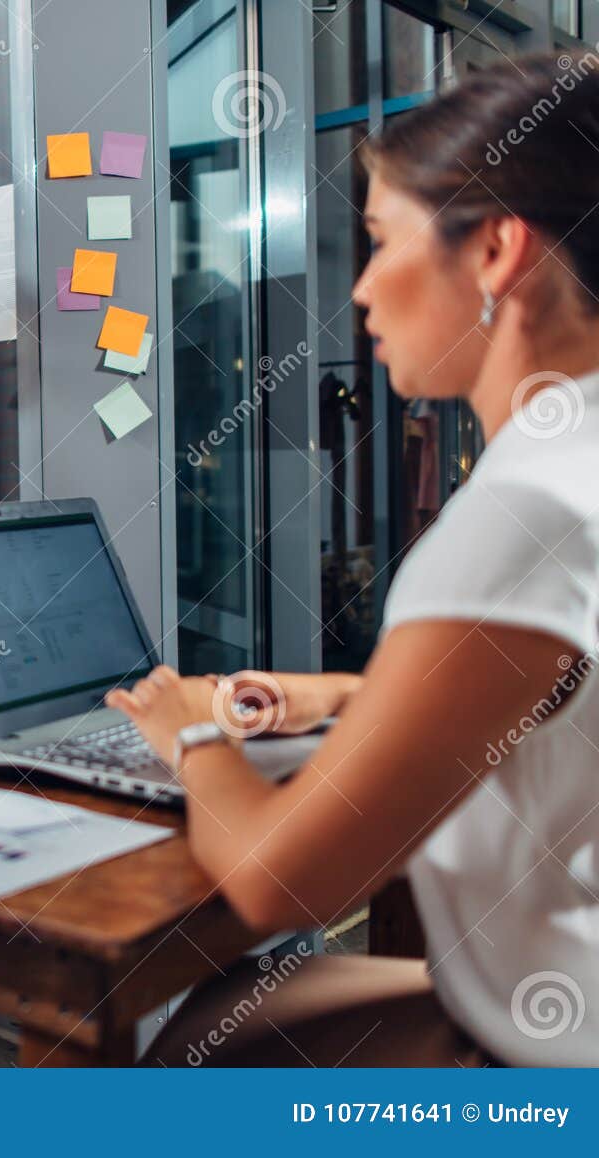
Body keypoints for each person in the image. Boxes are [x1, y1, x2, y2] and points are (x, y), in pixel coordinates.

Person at [116, 52, 599, 1067]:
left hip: (549, 1056)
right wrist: (344, 694)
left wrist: (185, 733)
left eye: (380, 242)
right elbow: (561, 690)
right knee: (222, 1025)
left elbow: (276, 884)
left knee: (198, 1042)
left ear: (497, 250)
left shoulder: (518, 508)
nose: (364, 289)